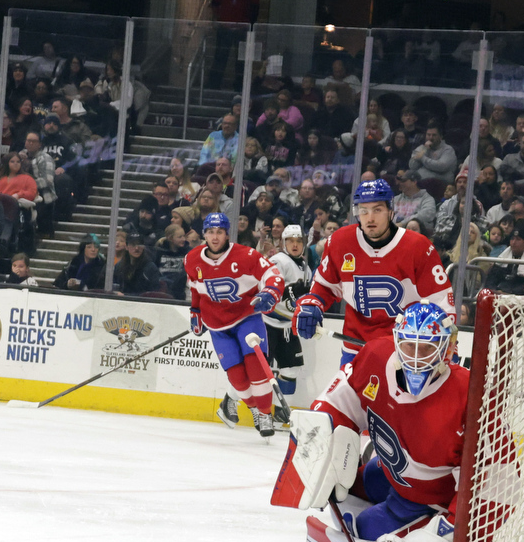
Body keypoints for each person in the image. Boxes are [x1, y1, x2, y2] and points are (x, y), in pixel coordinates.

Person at [291, 302, 469, 542]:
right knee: (354, 486)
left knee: (364, 529)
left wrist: (445, 533)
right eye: (409, 344)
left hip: (429, 500)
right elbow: (336, 402)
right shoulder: (376, 354)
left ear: (448, 349)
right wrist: (319, 445)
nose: (415, 355)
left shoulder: (469, 394)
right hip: (390, 471)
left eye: (427, 347)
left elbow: (493, 488)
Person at [296, 178, 454, 364]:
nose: (370, 218)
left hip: (405, 349)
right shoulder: (340, 242)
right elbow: (325, 287)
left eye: (377, 210)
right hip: (355, 349)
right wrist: (312, 304)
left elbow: (441, 302)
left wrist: (449, 345)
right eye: (364, 211)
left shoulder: (418, 247)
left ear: (391, 211)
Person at [186, 212, 287, 436]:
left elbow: (273, 274)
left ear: (227, 234)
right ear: (205, 234)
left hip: (246, 318)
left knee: (257, 369)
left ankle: (265, 413)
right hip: (217, 326)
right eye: (211, 232)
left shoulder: (246, 255)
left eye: (219, 232)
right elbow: (195, 287)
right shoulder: (191, 259)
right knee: (238, 379)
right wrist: (195, 310)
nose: (214, 237)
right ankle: (253, 410)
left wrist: (270, 290)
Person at [262, 224, 310, 414]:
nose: (295, 244)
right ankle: (241, 404)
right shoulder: (278, 261)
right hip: (267, 323)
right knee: (259, 371)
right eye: (290, 240)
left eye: (299, 241)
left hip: (288, 326)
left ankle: (281, 412)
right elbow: (268, 289)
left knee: (291, 370)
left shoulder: (306, 268)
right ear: (283, 242)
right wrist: (290, 290)